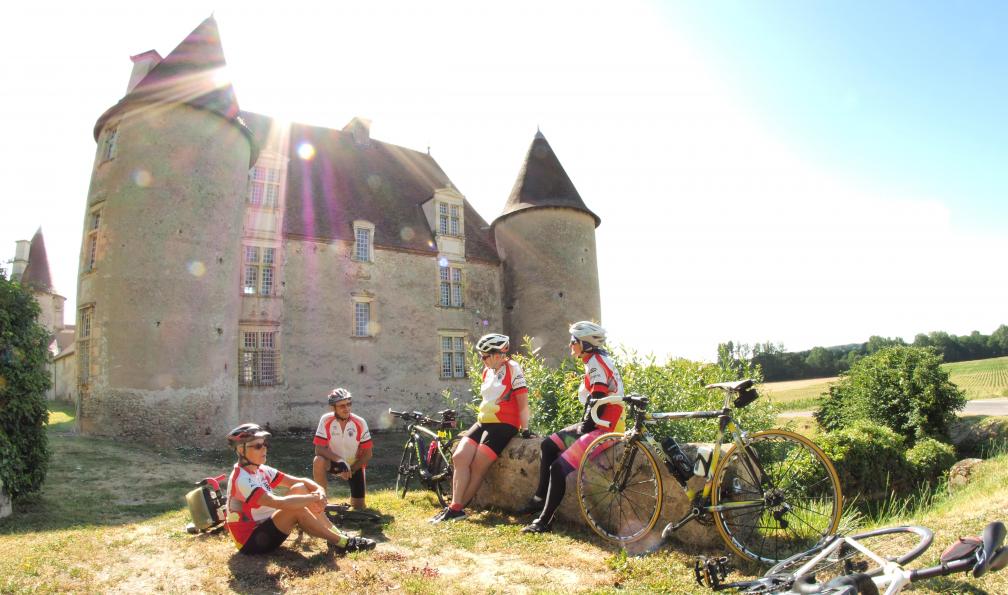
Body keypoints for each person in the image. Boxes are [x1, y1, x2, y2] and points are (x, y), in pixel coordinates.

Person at [520, 321, 625, 533]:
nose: (570, 345)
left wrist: (583, 429)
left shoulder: (596, 362)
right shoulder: (595, 360)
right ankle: (540, 498)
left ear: (584, 343)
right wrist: (584, 426)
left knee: (558, 468)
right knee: (549, 445)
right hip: (598, 422)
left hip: (605, 428)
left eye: (573, 341)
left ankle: (543, 521)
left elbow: (597, 397)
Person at [224, 423, 376, 555]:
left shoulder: (260, 469)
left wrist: (319, 492)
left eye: (265, 444)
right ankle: (343, 543)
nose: (264, 449)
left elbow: (300, 481)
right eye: (258, 446)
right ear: (241, 451)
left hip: (266, 528)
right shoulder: (241, 479)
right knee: (296, 508)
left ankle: (335, 533)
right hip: (251, 541)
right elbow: (278, 503)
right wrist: (313, 498)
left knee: (300, 487)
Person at [431, 333, 530, 523]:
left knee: (478, 465)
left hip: (504, 425)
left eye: (485, 356)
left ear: (498, 354)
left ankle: (456, 508)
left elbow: (523, 402)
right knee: (459, 456)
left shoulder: (513, 369)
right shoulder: (488, 371)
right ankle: (455, 506)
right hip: (484, 421)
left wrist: (525, 429)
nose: (482, 359)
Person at [312, 388, 373, 510]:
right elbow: (319, 449)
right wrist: (339, 460)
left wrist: (351, 469)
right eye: (342, 406)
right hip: (334, 462)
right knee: (318, 460)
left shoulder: (360, 422)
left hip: (354, 465)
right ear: (333, 408)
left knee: (358, 508)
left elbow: (368, 454)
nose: (347, 408)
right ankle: (321, 502)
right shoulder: (326, 420)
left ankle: (355, 501)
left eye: (349, 404)